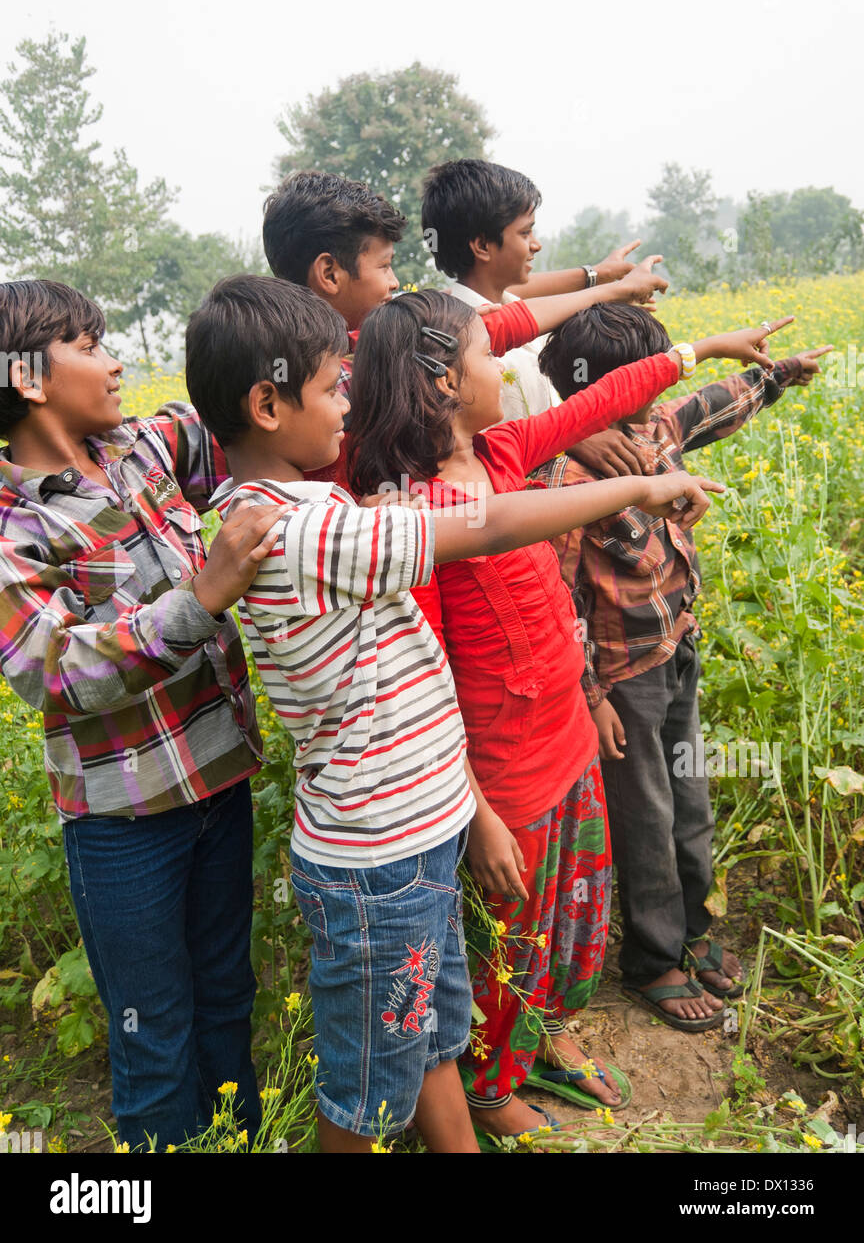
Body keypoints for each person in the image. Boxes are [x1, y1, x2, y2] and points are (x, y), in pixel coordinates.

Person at [184, 274, 716, 1153]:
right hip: (377, 853)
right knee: (368, 1086)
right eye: (330, 388)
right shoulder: (307, 529)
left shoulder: (317, 508)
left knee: (429, 1032)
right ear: (268, 404)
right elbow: (485, 524)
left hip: (416, 822)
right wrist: (633, 489)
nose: (347, 403)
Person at [348, 290, 771, 1134]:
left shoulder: (502, 451)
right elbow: (424, 677)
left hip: (569, 739)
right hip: (505, 775)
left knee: (574, 916)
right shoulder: (413, 514)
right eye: (482, 353)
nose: (502, 365)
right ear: (439, 382)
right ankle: (494, 1085)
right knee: (513, 937)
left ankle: (545, 1036)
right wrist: (475, 817)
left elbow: (598, 401)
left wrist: (700, 350)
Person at [0, 279, 288, 1149]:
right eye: (89, 345)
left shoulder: (144, 448)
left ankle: (231, 1139)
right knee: (151, 1032)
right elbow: (54, 669)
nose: (115, 360)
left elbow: (256, 396)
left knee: (227, 993)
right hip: (126, 823)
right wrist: (204, 595)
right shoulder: (14, 526)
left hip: (218, 781)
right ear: (28, 377)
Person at [537, 303, 831, 1029]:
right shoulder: (567, 474)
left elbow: (703, 410)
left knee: (690, 797)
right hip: (623, 674)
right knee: (647, 814)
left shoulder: (648, 431)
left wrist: (776, 379)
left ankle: (694, 932)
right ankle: (654, 958)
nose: (661, 389)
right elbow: (559, 596)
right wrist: (590, 691)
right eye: (649, 375)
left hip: (676, 644)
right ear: (607, 386)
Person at [262, 168, 667, 484]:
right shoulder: (362, 359)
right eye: (384, 265)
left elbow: (510, 308)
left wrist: (597, 278)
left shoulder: (363, 339)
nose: (394, 282)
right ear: (330, 273)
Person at [420, 157, 651, 434]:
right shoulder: (449, 337)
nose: (536, 245)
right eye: (525, 232)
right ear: (482, 246)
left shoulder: (521, 313)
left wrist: (600, 280)